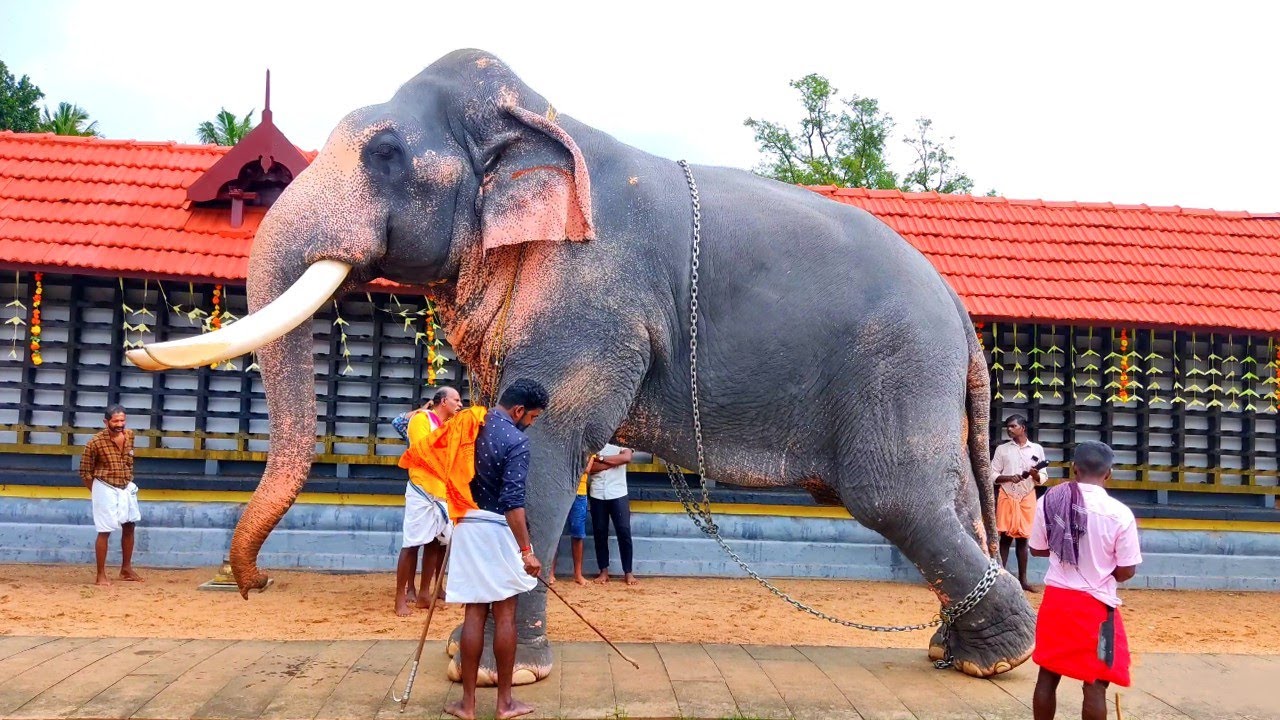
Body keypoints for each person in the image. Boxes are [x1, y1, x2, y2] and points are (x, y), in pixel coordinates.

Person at [445, 378, 548, 720]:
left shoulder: (468, 424)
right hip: (498, 530)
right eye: (532, 417)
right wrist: (526, 550)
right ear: (519, 410)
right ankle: (504, 704)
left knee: (474, 612)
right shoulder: (516, 441)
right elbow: (513, 502)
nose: (530, 424)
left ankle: (468, 705)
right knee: (505, 614)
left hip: (467, 525)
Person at [1029, 440, 1142, 720]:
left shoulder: (1049, 501)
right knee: (1095, 684)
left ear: (1074, 468)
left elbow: (1036, 548)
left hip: (1057, 600)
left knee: (1047, 675)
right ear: (1109, 473)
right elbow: (1127, 570)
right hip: (1097, 607)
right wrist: (1103, 570)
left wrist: (1064, 549)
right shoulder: (1119, 514)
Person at [395, 386, 463, 616]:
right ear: (443, 401)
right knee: (412, 543)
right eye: (456, 400)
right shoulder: (421, 420)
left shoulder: (448, 426)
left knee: (437, 543)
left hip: (443, 491)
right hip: (422, 489)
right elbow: (427, 451)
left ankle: (425, 593)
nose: (460, 404)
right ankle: (401, 598)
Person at [79, 405, 142, 586]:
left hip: (125, 485)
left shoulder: (130, 435)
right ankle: (100, 574)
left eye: (122, 420)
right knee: (104, 530)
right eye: (116, 421)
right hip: (104, 485)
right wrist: (97, 492)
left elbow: (129, 460)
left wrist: (128, 477)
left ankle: (126, 568)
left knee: (130, 525)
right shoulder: (95, 443)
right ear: (106, 422)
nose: (120, 424)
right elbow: (85, 472)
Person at [991, 414, 1046, 591]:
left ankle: (1023, 580)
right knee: (1005, 538)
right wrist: (1008, 477)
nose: (1009, 429)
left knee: (1023, 539)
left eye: (1013, 426)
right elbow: (991, 474)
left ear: (1023, 428)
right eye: (1008, 426)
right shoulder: (1002, 449)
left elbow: (1044, 476)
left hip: (1027, 496)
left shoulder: (1036, 449)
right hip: (1007, 494)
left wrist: (1035, 475)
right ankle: (1000, 578)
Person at [588, 441, 637, 586]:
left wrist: (601, 459)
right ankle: (603, 571)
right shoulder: (592, 443)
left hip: (619, 492)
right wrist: (615, 461)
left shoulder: (621, 440)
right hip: (597, 492)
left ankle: (628, 572)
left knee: (624, 531)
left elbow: (627, 458)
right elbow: (590, 468)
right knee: (600, 532)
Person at [548, 472, 590, 586]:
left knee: (578, 532)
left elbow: (587, 468)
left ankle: (578, 574)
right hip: (558, 489)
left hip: (579, 491)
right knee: (555, 532)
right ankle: (550, 572)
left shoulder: (587, 453)